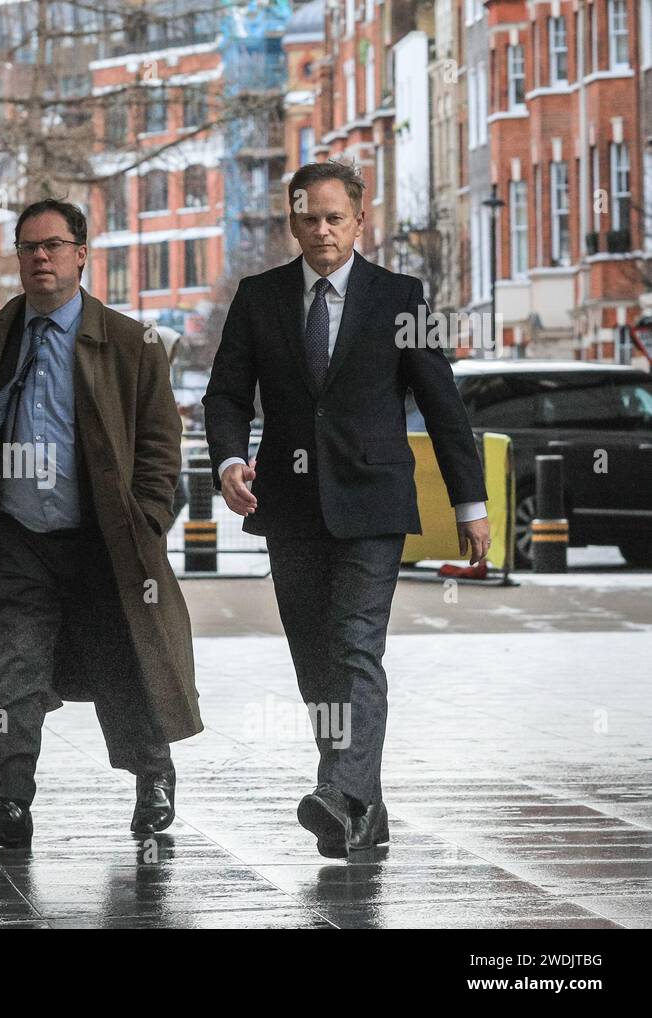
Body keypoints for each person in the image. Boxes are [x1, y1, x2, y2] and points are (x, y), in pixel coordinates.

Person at [203, 161, 491, 858]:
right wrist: (229, 459)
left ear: (360, 219)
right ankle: (365, 808)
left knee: (356, 646)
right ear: (292, 220)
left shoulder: (401, 297)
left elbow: (442, 405)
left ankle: (339, 791)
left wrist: (471, 504)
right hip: (290, 504)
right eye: (309, 218)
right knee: (315, 661)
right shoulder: (260, 297)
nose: (322, 230)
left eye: (335, 217)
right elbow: (227, 395)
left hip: (373, 502)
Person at [0, 198, 201, 848]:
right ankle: (12, 804)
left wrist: (147, 522)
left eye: (53, 245)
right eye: (28, 248)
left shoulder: (134, 343)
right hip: (17, 542)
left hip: (105, 545)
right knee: (18, 672)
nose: (40, 258)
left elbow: (164, 448)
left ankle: (153, 781)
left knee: (126, 665)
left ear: (82, 254)